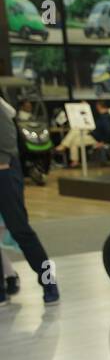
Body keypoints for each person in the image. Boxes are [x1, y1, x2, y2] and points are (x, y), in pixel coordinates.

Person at [0, 96, 59, 304]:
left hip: (4, 172)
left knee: (20, 230)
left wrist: (3, 163)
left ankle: (48, 280)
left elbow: (8, 139)